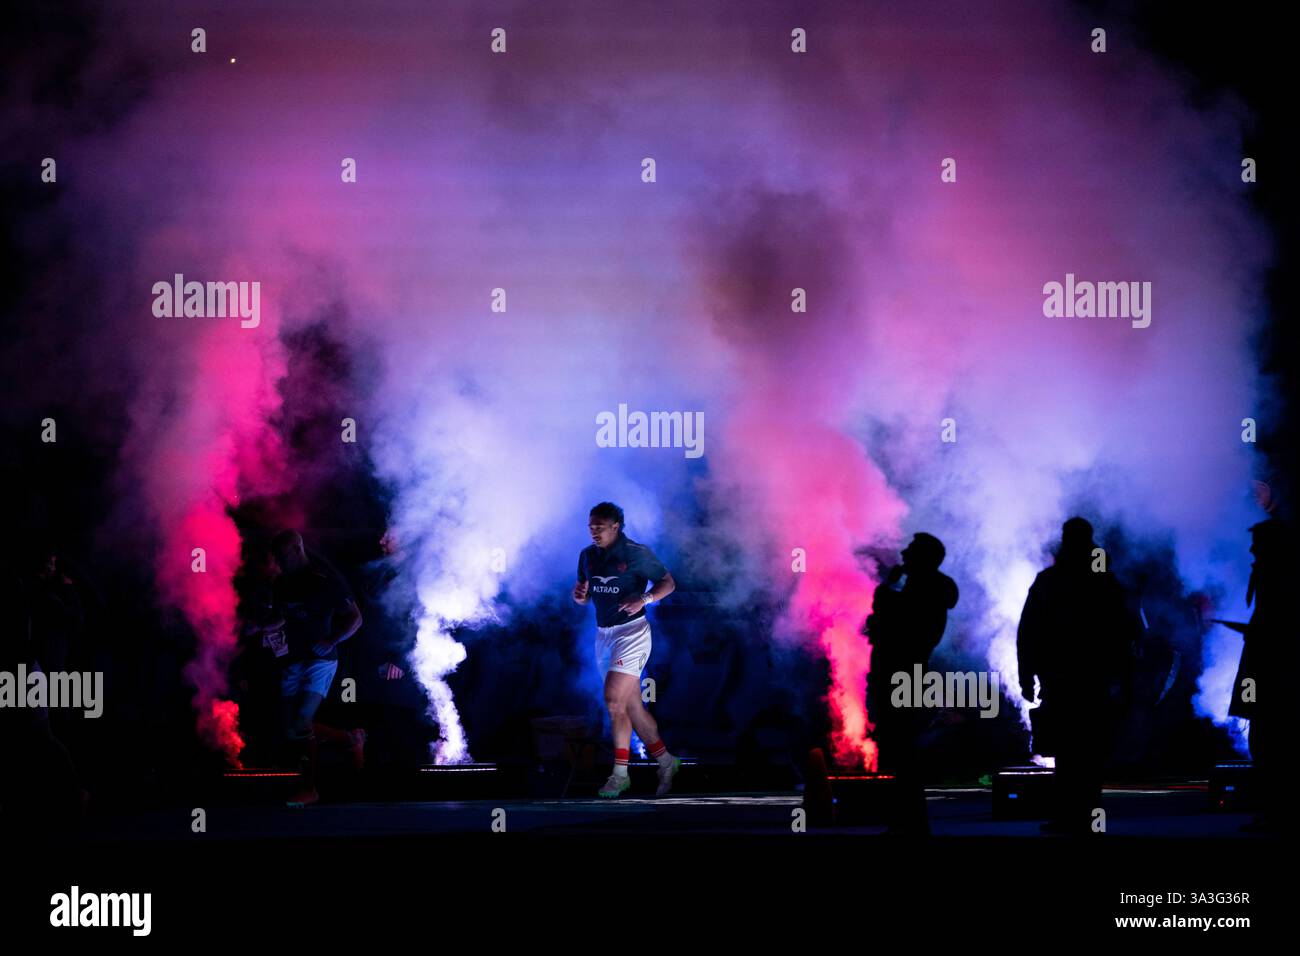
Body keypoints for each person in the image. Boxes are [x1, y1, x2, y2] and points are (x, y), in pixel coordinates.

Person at [1017, 517, 1136, 833]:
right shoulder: (1103, 582)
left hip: (1062, 679)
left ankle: (1071, 817)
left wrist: (1026, 674)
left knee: (1070, 752)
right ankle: (1087, 819)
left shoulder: (1050, 581)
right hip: (1091, 680)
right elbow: (1122, 632)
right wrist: (1123, 678)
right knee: (1086, 752)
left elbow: (1029, 630)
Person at [572, 502, 679, 798]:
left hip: (632, 633)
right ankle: (667, 762)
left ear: (615, 527)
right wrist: (580, 596)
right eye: (590, 526)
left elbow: (668, 583)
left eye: (600, 527)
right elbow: (583, 594)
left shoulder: (635, 553)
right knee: (631, 706)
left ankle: (619, 775)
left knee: (612, 701)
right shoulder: (587, 556)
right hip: (603, 636)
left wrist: (644, 599)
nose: (594, 532)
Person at [864, 532, 959, 834]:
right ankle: (908, 820)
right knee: (901, 748)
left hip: (900, 673)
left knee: (899, 749)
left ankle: (907, 822)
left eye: (912, 550)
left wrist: (887, 589)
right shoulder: (927, 590)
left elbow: (888, 621)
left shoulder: (920, 591)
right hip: (907, 672)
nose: (904, 554)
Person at [266, 530, 363, 807]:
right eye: (275, 557)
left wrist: (332, 639)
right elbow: (279, 618)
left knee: (299, 722)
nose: (277, 562)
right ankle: (349, 739)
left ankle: (309, 788)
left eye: (281, 555)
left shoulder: (325, 581)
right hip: (293, 661)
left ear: (297, 549)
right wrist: (260, 626)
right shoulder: (281, 584)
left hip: (321, 662)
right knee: (289, 727)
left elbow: (356, 619)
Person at [1230, 518, 1295, 832]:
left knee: (1269, 739)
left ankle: (1277, 812)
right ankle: (1275, 811)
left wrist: (1256, 634)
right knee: (1264, 736)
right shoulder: (1272, 574)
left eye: (1259, 542)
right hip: (1262, 667)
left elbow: (1277, 627)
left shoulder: (1279, 577)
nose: (1253, 547)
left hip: (1271, 669)